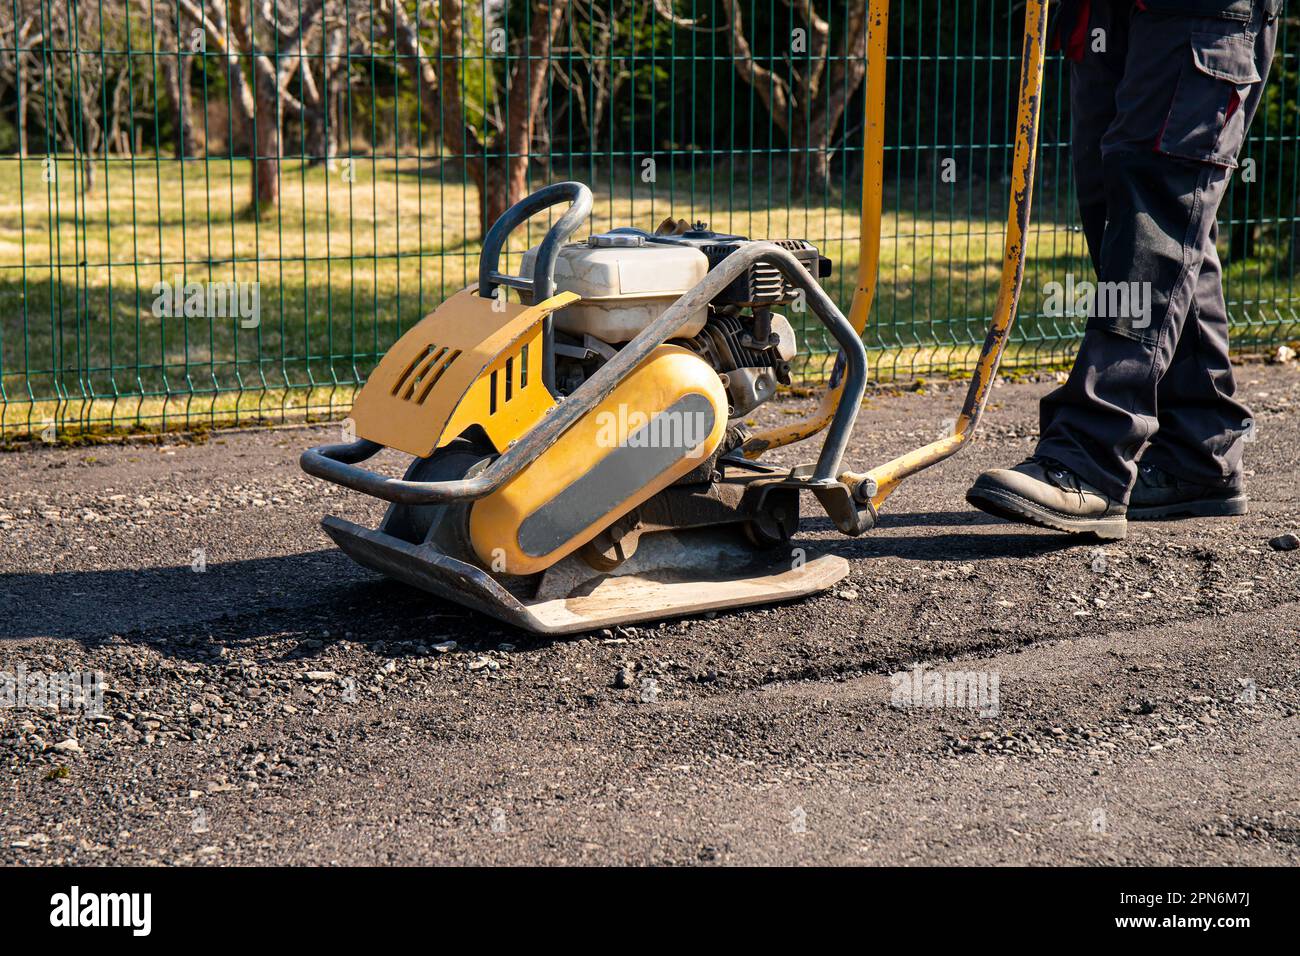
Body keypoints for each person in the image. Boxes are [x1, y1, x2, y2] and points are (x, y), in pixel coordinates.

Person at [966, 0, 1283, 540]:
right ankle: (1199, 450)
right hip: (1102, 13)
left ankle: (1091, 455)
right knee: (1131, 212)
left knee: (1150, 217)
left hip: (1198, 11)